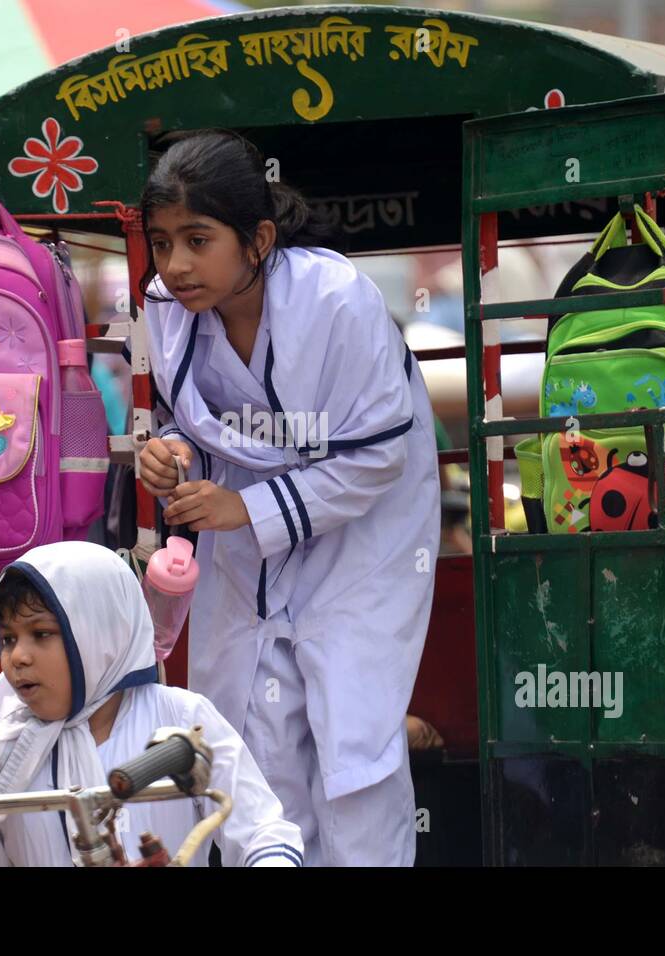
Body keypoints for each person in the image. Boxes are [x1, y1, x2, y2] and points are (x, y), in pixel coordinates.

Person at [136, 130, 440, 866]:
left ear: (258, 240)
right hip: (240, 539)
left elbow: (377, 458)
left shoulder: (338, 301)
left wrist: (249, 509)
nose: (175, 265)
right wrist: (171, 453)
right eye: (161, 241)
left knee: (354, 750)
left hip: (368, 534)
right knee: (248, 734)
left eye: (197, 239)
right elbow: (192, 424)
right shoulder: (161, 308)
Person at [0, 541, 302, 867]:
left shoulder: (180, 718)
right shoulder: (1, 749)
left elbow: (263, 832)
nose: (17, 656)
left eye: (41, 634)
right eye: (8, 638)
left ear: (99, 631)